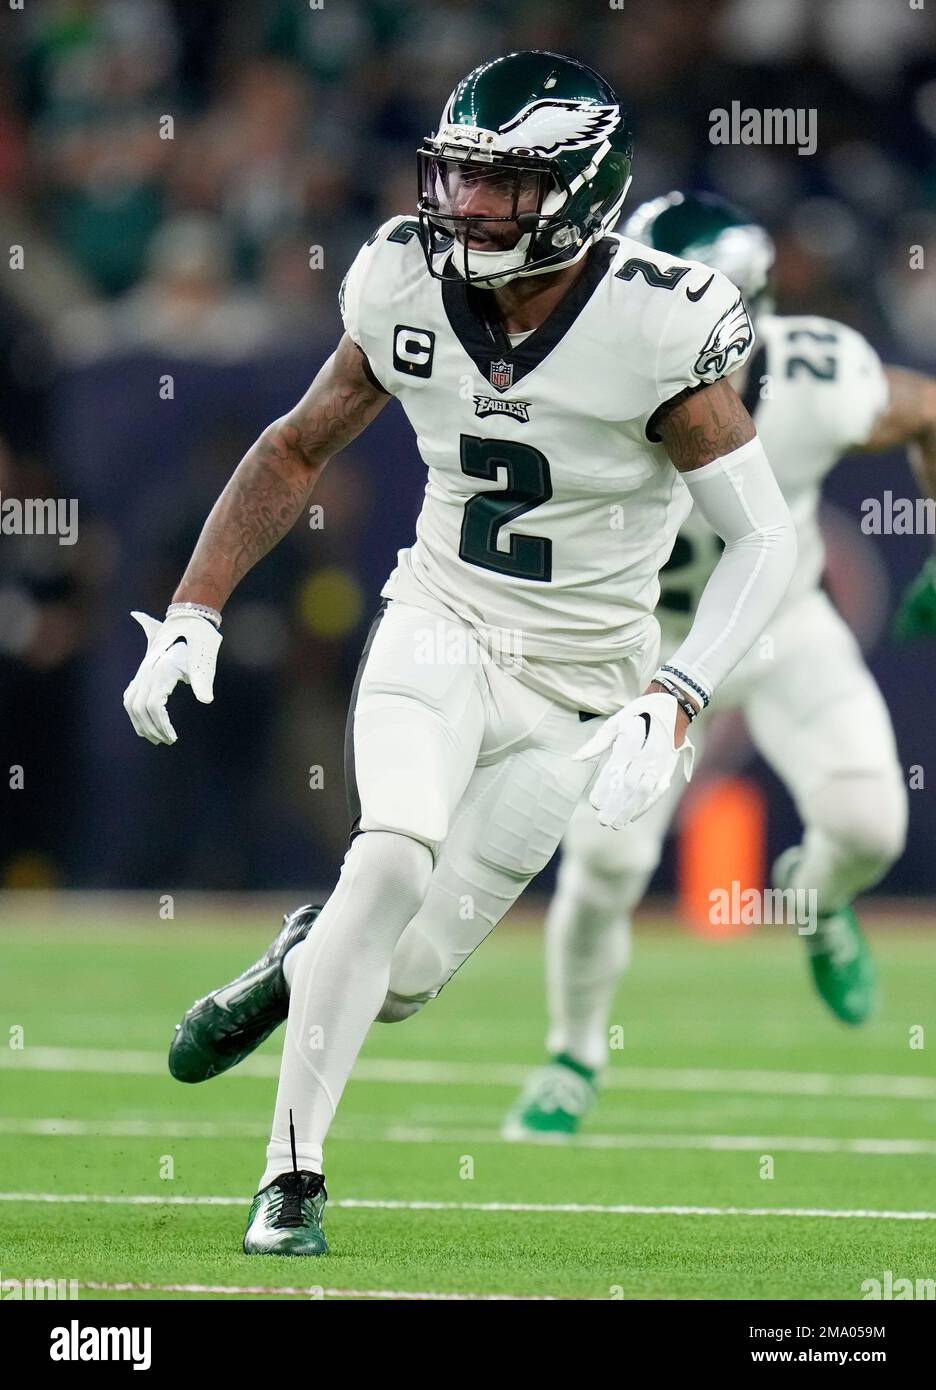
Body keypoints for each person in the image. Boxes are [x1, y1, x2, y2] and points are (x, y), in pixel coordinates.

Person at [124, 55, 795, 1254]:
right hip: (440, 620)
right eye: (460, 177)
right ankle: (292, 1180)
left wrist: (678, 692)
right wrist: (196, 610)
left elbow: (763, 537)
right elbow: (293, 449)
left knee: (406, 974)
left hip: (582, 684)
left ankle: (295, 957)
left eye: (504, 186)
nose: (469, 208)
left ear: (582, 193)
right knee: (388, 858)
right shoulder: (400, 280)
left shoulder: (658, 320)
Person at [504, 191, 936, 1139]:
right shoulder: (584, 372)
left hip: (780, 629)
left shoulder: (820, 378)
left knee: (870, 825)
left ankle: (816, 901)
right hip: (646, 643)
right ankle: (574, 1054)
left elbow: (927, 411)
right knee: (608, 858)